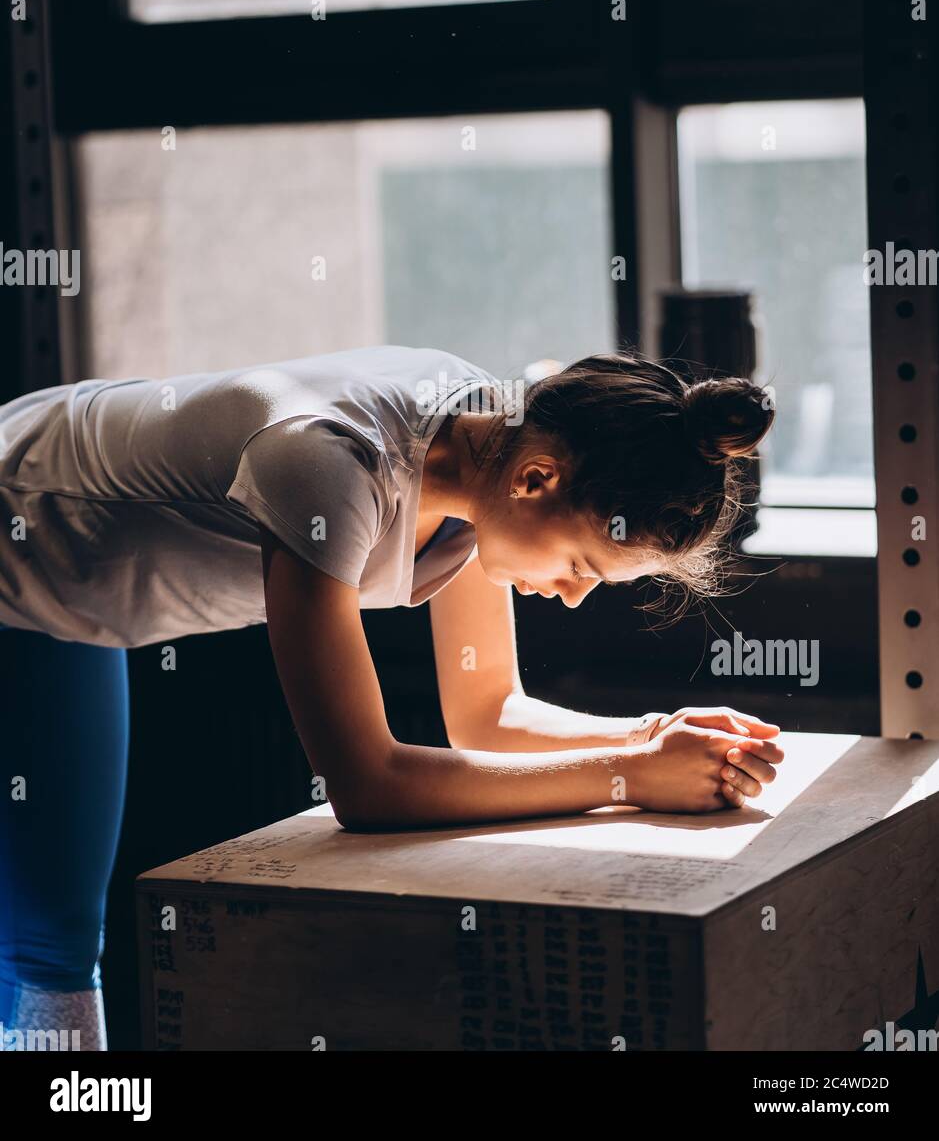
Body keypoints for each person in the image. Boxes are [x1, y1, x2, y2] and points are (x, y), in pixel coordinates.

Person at [0, 343, 783, 1049]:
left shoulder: (489, 448)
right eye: (581, 564)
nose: (574, 598)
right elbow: (366, 785)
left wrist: (649, 740)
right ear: (537, 479)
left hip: (70, 608)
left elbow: (488, 715)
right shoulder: (323, 464)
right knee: (47, 949)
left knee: (57, 949)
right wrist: (632, 779)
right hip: (17, 525)